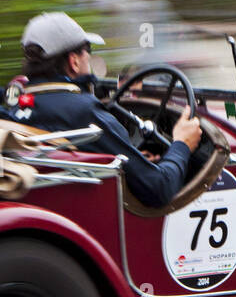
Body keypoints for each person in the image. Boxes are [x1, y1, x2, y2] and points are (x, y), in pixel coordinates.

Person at [13, 12, 201, 208]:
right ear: (74, 62)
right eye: (88, 50)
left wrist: (138, 158)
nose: (90, 58)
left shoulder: (20, 106)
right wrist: (182, 144)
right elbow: (158, 188)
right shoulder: (83, 111)